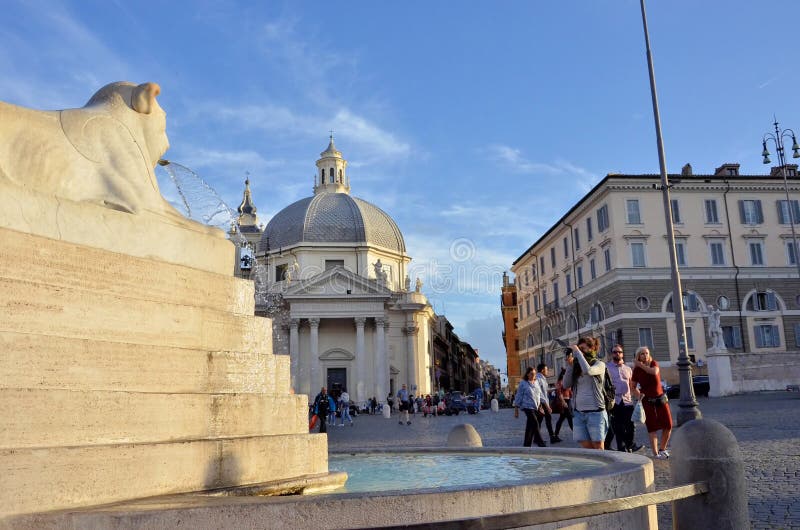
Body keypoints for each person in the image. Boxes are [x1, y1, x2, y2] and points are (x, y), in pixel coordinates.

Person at [563, 336, 609, 450]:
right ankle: (594, 466)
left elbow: (588, 371)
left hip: (595, 412)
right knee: (585, 445)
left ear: (592, 348)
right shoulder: (577, 367)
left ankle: (602, 467)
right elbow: (566, 384)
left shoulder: (600, 364)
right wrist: (569, 366)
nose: (580, 351)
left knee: (598, 446)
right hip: (579, 412)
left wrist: (578, 352)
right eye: (579, 348)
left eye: (583, 348)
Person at [631, 346, 673, 459]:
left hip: (660, 399)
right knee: (652, 427)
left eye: (647, 353)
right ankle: (655, 453)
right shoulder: (637, 370)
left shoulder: (654, 364)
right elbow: (632, 386)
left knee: (668, 425)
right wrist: (638, 395)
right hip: (647, 401)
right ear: (638, 356)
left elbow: (653, 372)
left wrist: (638, 364)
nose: (645, 355)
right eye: (642, 354)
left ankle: (663, 449)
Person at [605, 345, 642, 453]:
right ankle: (622, 448)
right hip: (614, 401)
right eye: (615, 352)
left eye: (619, 352)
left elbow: (632, 386)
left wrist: (640, 397)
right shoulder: (607, 368)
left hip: (627, 401)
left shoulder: (628, 369)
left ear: (622, 354)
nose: (617, 354)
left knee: (631, 425)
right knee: (618, 427)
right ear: (612, 354)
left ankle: (630, 444)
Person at [514, 367, 547, 447]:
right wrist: (516, 409)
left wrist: (544, 406)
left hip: (535, 406)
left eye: (534, 374)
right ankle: (540, 442)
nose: (533, 375)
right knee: (535, 422)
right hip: (527, 407)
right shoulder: (523, 383)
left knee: (530, 426)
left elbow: (540, 395)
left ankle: (526, 445)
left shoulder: (536, 383)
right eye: (531, 374)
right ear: (528, 374)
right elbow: (518, 396)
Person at [535, 363, 559, 443]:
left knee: (542, 420)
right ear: (542, 370)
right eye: (546, 370)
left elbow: (544, 391)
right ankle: (548, 438)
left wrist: (554, 389)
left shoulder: (542, 378)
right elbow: (539, 393)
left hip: (544, 402)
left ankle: (540, 438)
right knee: (542, 420)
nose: (547, 371)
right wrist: (546, 406)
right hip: (542, 403)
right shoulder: (538, 379)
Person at [554, 366, 573, 439]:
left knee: (562, 418)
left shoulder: (567, 381)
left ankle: (556, 434)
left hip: (568, 401)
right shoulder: (560, 382)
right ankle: (576, 433)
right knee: (569, 417)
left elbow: (570, 392)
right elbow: (559, 393)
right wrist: (563, 402)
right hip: (564, 402)